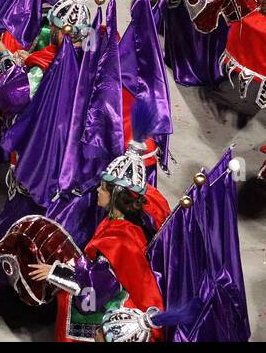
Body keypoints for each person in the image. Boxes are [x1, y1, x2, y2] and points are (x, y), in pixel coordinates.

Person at [28, 145, 170, 342]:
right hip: (123, 287)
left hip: (118, 302)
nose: (97, 190)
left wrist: (55, 273)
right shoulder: (125, 222)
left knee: (68, 298)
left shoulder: (117, 242)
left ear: (116, 196)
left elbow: (96, 292)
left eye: (103, 187)